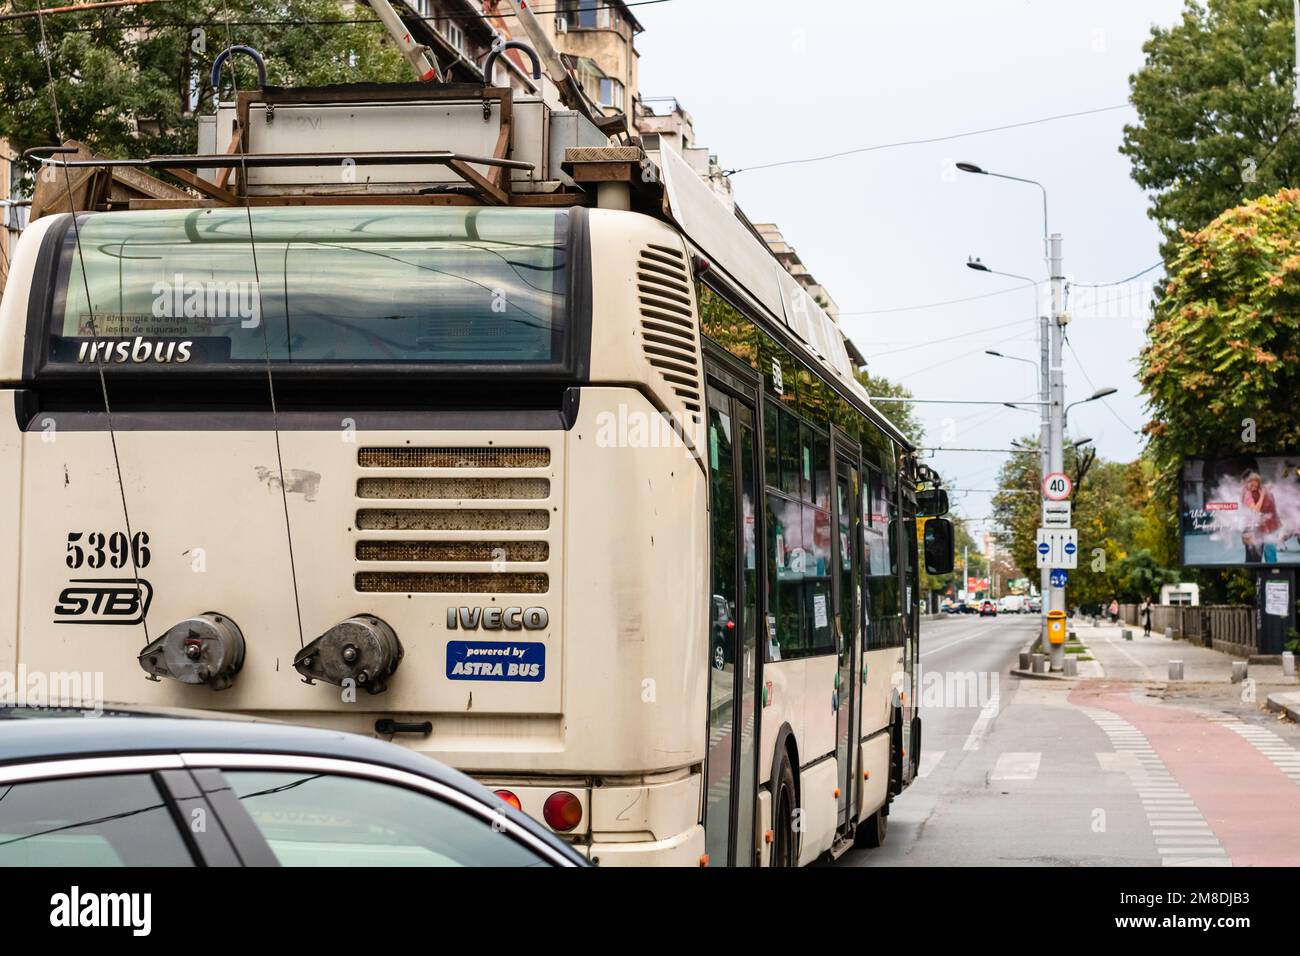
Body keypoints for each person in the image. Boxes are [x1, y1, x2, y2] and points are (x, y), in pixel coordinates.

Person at [1241, 471, 1281, 564]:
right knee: (1254, 557)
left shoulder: (1262, 491)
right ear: (1248, 482)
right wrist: (1262, 496)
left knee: (1269, 552)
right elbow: (1255, 510)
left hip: (1267, 526)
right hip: (1254, 528)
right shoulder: (1247, 493)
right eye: (1252, 485)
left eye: (1256, 486)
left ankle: (1271, 572)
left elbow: (1271, 508)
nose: (1253, 488)